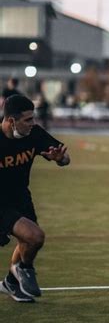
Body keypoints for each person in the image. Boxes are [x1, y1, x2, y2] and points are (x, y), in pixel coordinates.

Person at [0, 94, 70, 303]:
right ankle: (25, 268)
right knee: (35, 236)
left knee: (28, 241)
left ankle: (10, 283)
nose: (33, 123)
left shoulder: (34, 134)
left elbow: (64, 157)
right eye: (28, 119)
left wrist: (60, 159)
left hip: (21, 196)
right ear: (12, 121)